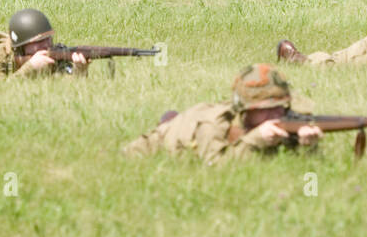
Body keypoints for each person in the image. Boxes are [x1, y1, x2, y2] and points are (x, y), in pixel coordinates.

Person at [122, 64, 323, 163]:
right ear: (245, 112)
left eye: (280, 107)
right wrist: (256, 139)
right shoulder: (213, 125)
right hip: (145, 151)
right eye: (265, 110)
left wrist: (307, 146)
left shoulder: (278, 120)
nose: (276, 114)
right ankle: (170, 123)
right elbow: (216, 167)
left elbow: (288, 163)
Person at [0, 8, 88, 78]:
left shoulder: (53, 53)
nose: (46, 45)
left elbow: (63, 91)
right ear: (21, 46)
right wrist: (30, 68)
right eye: (38, 42)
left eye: (48, 39)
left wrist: (79, 71)